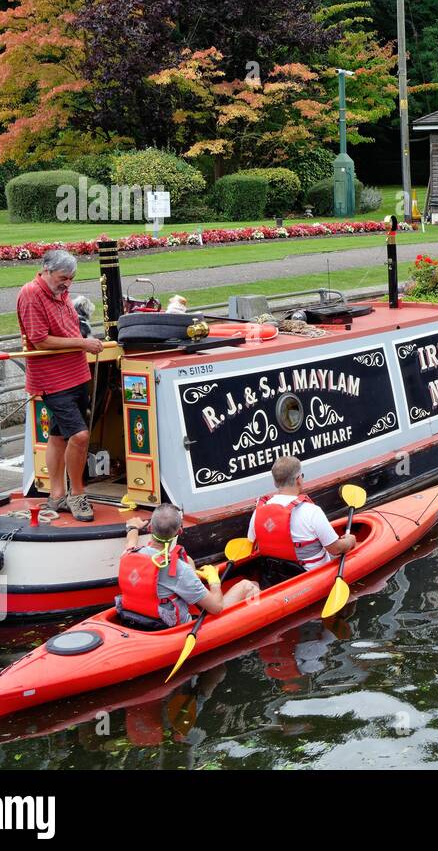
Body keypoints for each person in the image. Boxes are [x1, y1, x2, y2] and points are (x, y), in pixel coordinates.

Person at [16, 250, 103, 522]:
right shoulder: (31, 294)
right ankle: (77, 494)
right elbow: (40, 340)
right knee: (80, 436)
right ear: (46, 270)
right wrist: (83, 343)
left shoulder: (59, 292)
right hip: (53, 380)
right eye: (63, 278)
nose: (68, 284)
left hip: (75, 374)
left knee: (57, 435)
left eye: (71, 279)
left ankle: (56, 496)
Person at [116, 504, 260, 627]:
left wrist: (133, 527)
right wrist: (214, 582)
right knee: (249, 585)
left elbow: (131, 542)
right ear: (179, 531)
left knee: (188, 560)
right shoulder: (177, 569)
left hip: (137, 617)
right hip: (171, 625)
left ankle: (197, 593)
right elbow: (217, 608)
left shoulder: (129, 554)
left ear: (150, 528)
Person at [248, 456, 359, 570]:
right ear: (298, 480)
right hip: (311, 573)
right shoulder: (311, 511)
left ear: (275, 483)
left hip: (276, 574)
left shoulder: (258, 512)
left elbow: (252, 542)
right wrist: (350, 541)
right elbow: (335, 549)